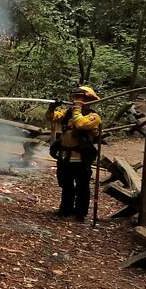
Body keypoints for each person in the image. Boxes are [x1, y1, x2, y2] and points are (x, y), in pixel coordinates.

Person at [47, 85, 102, 220]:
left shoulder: (94, 116)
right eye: (75, 97)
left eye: (80, 97)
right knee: (66, 185)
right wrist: (52, 107)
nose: (75, 100)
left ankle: (80, 213)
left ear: (88, 99)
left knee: (82, 186)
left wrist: (77, 109)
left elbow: (81, 124)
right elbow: (52, 117)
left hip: (82, 158)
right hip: (65, 157)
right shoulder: (67, 113)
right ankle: (65, 210)